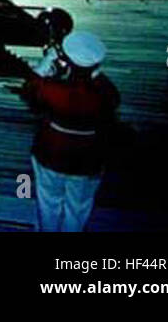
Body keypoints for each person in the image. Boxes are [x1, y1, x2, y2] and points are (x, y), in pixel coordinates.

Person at [23, 30, 120, 232]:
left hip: (52, 149)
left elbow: (30, 89)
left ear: (68, 59)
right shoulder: (105, 92)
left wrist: (47, 62)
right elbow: (111, 97)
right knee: (79, 204)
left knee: (48, 199)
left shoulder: (53, 89)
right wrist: (92, 71)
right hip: (89, 155)